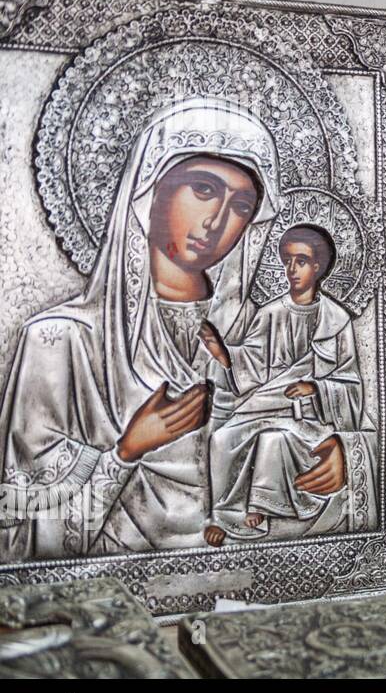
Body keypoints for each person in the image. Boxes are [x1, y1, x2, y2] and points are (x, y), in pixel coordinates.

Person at [0, 98, 283, 559]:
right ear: (150, 193)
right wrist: (127, 450)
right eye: (204, 189)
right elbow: (20, 527)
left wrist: (327, 453)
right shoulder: (59, 340)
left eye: (242, 205)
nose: (216, 222)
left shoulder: (252, 330)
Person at [200, 224, 375, 546]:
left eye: (302, 261)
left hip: (308, 417)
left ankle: (259, 508)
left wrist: (317, 389)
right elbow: (250, 364)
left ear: (319, 267)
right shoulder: (270, 314)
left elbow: (351, 384)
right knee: (222, 440)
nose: (292, 269)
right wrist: (224, 355)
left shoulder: (337, 321)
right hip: (262, 406)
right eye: (287, 261)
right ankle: (225, 515)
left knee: (273, 440)